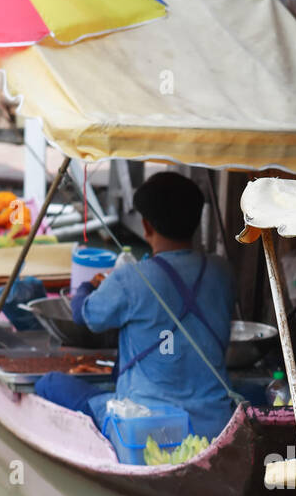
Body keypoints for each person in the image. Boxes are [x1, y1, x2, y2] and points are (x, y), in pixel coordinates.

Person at [35, 172, 235, 441]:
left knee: (49, 384)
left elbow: (85, 316)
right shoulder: (221, 271)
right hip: (214, 422)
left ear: (146, 226)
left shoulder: (132, 277)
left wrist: (87, 288)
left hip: (143, 426)